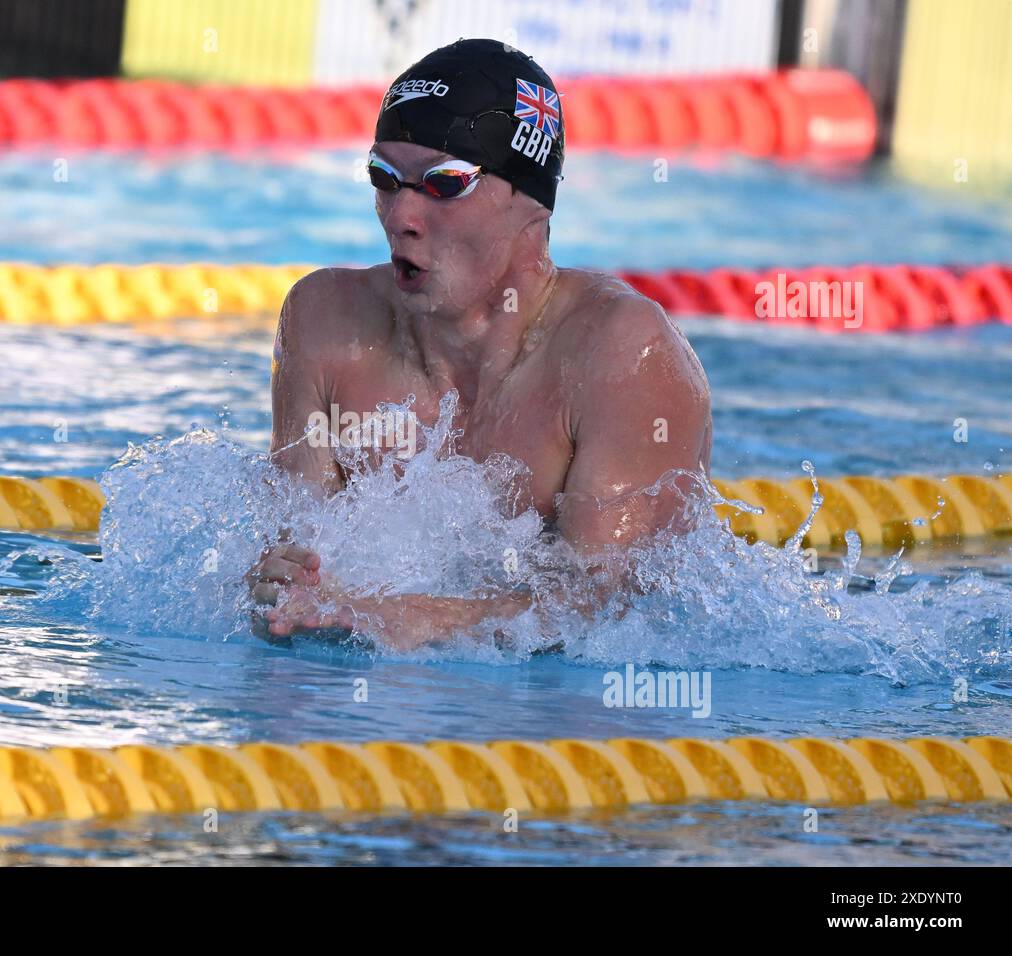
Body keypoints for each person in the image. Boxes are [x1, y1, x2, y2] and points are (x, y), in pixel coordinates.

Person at [248, 39, 712, 649]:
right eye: (383, 178)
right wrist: (275, 584)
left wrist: (423, 619)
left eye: (443, 184)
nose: (399, 216)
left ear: (531, 203)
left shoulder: (623, 353)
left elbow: (607, 613)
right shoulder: (324, 321)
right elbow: (298, 556)